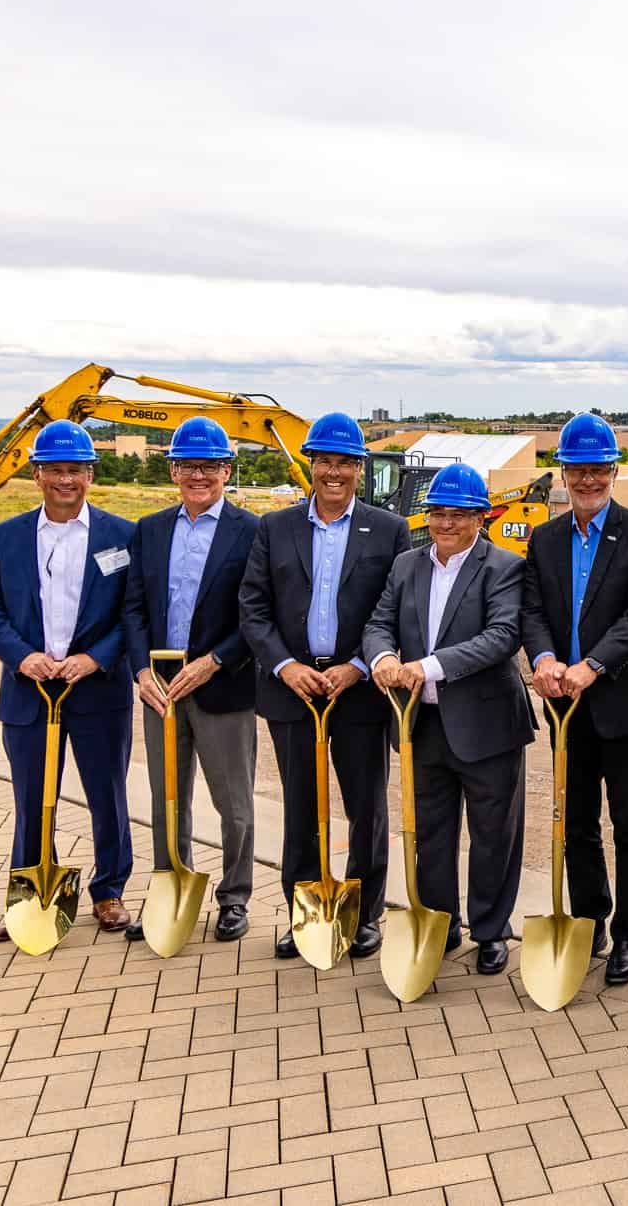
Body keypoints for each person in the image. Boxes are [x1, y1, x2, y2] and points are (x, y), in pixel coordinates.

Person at [239, 412, 410, 961]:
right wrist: (285, 667)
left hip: (357, 689)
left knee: (366, 809)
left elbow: (396, 611)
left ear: (359, 468)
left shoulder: (388, 530)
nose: (333, 472)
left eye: (344, 462)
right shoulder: (275, 527)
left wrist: (358, 666)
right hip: (293, 688)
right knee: (301, 808)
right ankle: (306, 912)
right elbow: (253, 608)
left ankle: (364, 912)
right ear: (310, 465)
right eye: (324, 461)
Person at [363, 463, 534, 975]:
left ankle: (490, 931)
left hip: (487, 725)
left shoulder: (504, 566)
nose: (446, 524)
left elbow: (503, 636)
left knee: (493, 835)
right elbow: (378, 623)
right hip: (423, 725)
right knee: (430, 833)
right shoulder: (406, 566)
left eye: (458, 515)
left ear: (482, 517)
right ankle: (440, 922)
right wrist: (382, 659)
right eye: (438, 514)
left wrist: (426, 666)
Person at [519, 412, 628, 984]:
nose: (587, 481)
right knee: (575, 823)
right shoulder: (546, 538)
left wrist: (591, 666)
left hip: (621, 705)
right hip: (565, 705)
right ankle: (590, 920)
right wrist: (545, 660)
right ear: (563, 472)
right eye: (577, 470)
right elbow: (532, 609)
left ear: (614, 470)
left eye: (597, 470)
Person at [0, 420, 137, 939]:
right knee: (32, 797)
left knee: (106, 794)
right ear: (37, 475)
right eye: (55, 471)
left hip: (97, 690)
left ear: (91, 475)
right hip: (28, 692)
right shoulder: (7, 537)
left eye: (76, 471)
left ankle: (108, 891)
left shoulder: (121, 536)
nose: (66, 480)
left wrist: (97, 658)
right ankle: (32, 894)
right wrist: (22, 657)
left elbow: (131, 613)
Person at [121, 417, 261, 944]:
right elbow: (133, 607)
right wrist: (140, 670)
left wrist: (214, 661)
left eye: (209, 466)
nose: (197, 475)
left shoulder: (251, 532)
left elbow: (256, 614)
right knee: (167, 798)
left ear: (226, 470)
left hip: (223, 686)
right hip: (161, 690)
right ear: (173, 470)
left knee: (234, 803)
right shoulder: (151, 529)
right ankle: (171, 888)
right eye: (187, 466)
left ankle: (234, 897)